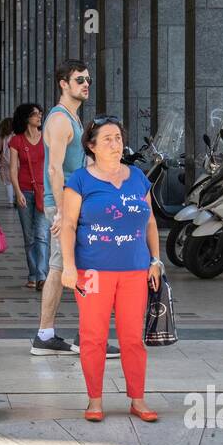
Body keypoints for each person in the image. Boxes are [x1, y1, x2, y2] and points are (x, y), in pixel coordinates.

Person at [59, 115, 163, 423]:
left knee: (132, 337)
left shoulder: (137, 177)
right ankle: (94, 400)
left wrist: (156, 260)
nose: (115, 144)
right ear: (91, 146)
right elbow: (67, 224)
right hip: (92, 272)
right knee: (93, 337)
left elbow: (151, 222)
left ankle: (138, 399)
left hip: (134, 270)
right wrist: (68, 265)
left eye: (118, 137)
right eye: (107, 139)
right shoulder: (79, 180)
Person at [31, 60, 119, 359]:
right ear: (63, 84)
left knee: (67, 266)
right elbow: (55, 168)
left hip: (75, 203)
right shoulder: (59, 121)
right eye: (79, 79)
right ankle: (73, 336)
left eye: (88, 80)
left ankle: (52, 335)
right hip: (65, 206)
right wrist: (58, 211)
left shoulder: (74, 119)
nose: (86, 84)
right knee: (66, 266)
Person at [8, 103, 48, 290]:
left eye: (40, 114)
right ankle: (33, 274)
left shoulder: (46, 138)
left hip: (43, 191)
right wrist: (17, 192)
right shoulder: (17, 141)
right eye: (35, 115)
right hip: (24, 191)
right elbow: (13, 169)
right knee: (29, 236)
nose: (39, 117)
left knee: (41, 234)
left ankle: (41, 276)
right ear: (26, 118)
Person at [0, 118, 15, 206]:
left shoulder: (2, 136)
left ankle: (10, 201)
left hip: (5, 160)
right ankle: (17, 198)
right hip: (15, 159)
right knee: (16, 179)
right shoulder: (16, 135)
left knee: (8, 182)